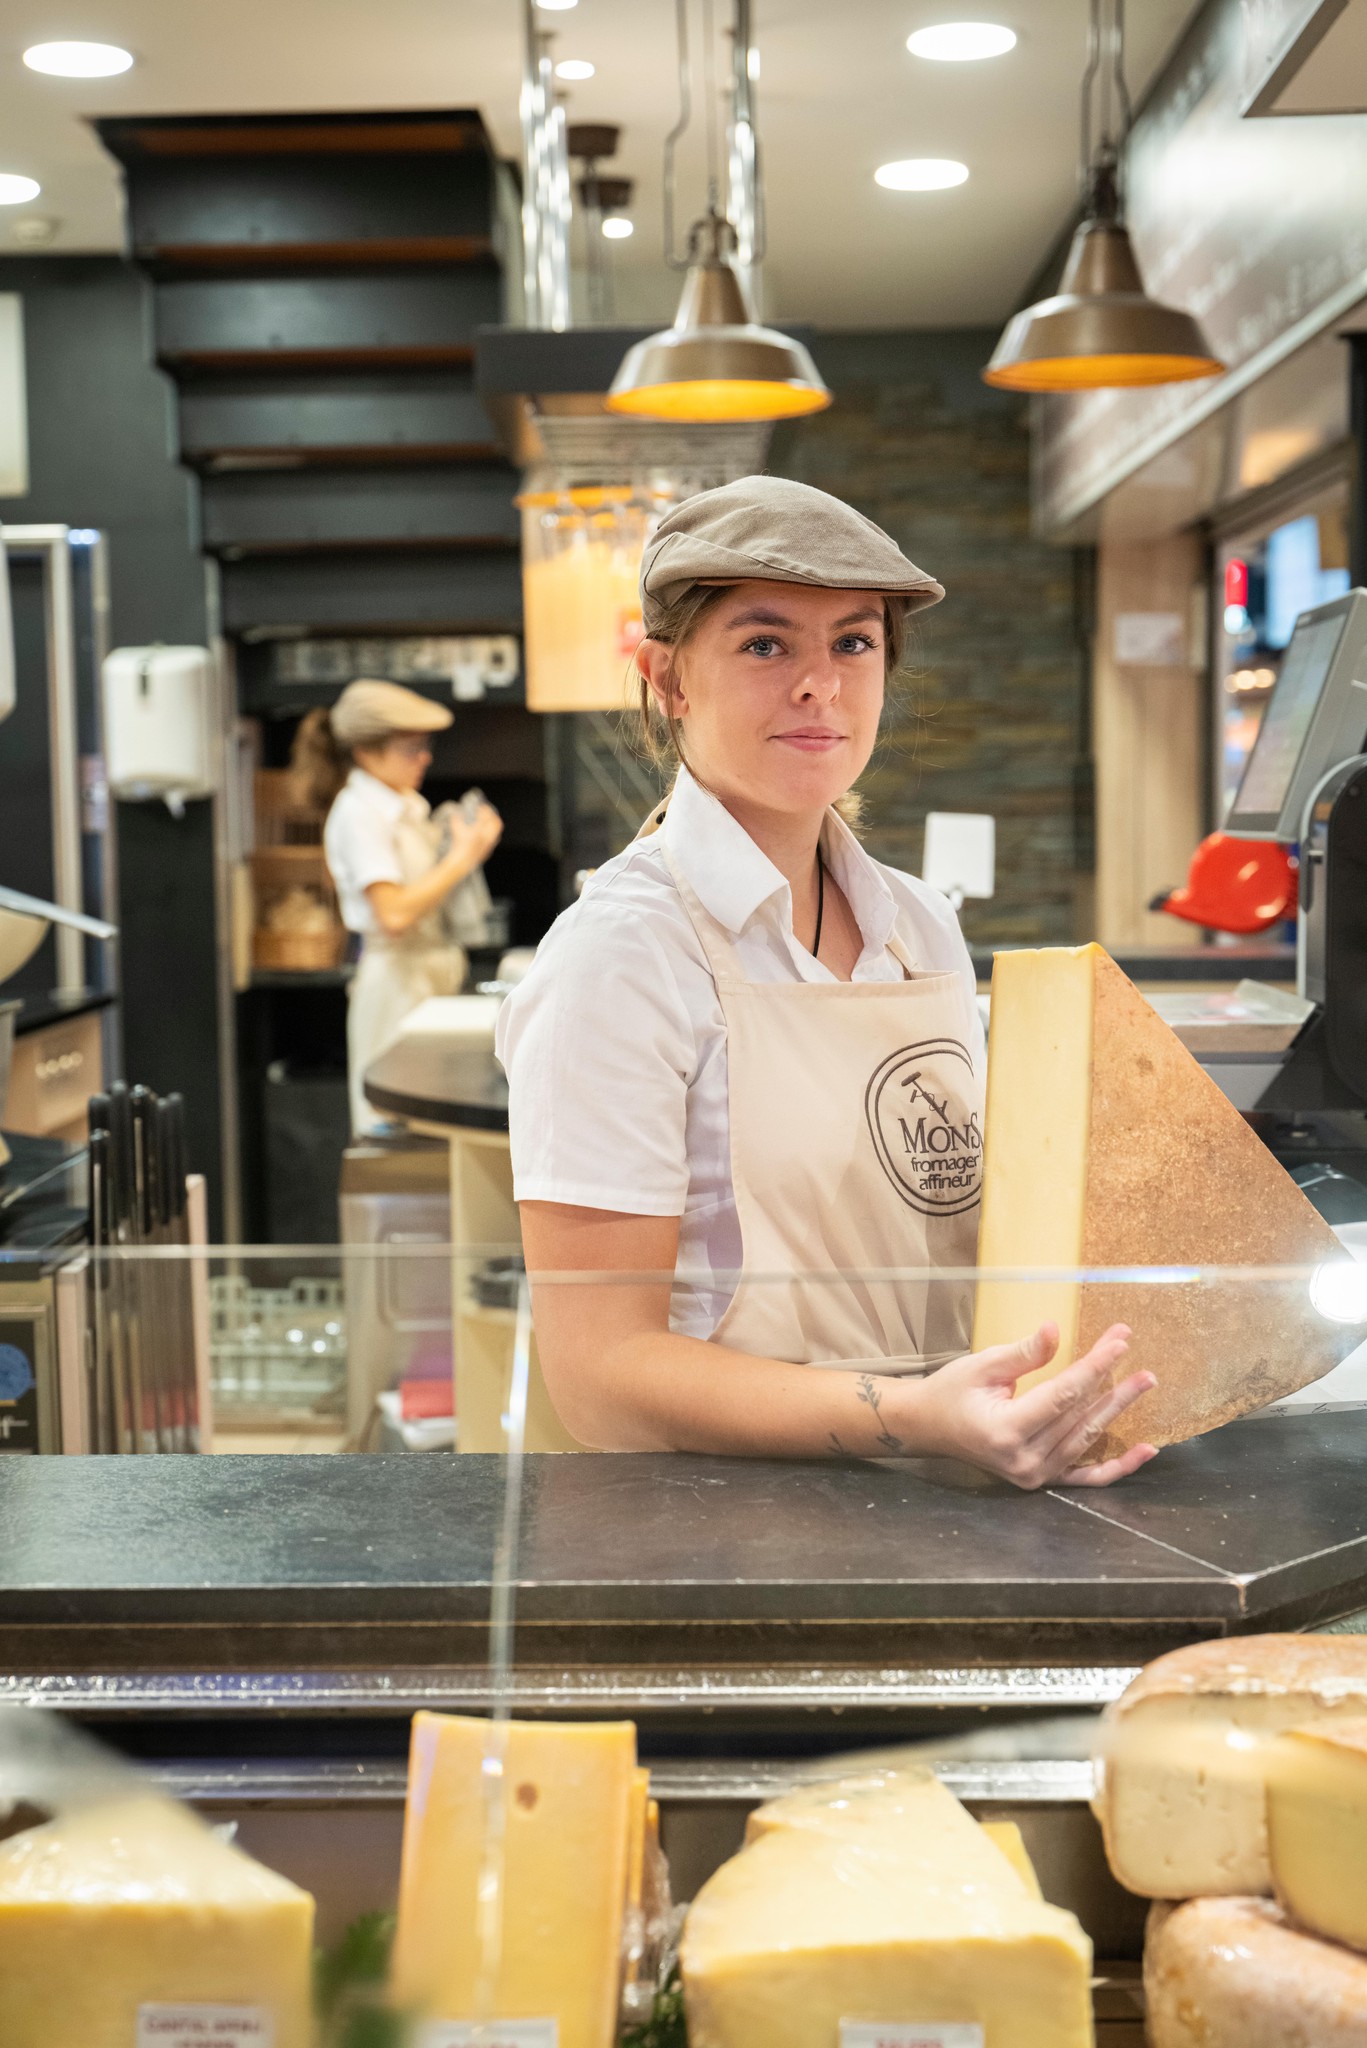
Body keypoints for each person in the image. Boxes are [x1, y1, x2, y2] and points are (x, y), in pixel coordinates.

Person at [496, 476, 1156, 1487]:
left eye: (852, 642)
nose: (819, 684)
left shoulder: (918, 923)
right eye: (764, 644)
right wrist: (907, 1416)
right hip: (730, 1523)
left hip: (961, 1486)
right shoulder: (618, 957)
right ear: (668, 678)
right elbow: (596, 1372)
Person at [294, 679, 502, 1134]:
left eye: (425, 747)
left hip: (428, 971)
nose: (425, 758)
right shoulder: (358, 812)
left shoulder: (404, 803)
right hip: (395, 983)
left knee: (438, 1123)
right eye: (411, 748)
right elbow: (393, 915)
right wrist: (462, 856)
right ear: (367, 752)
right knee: (399, 1125)